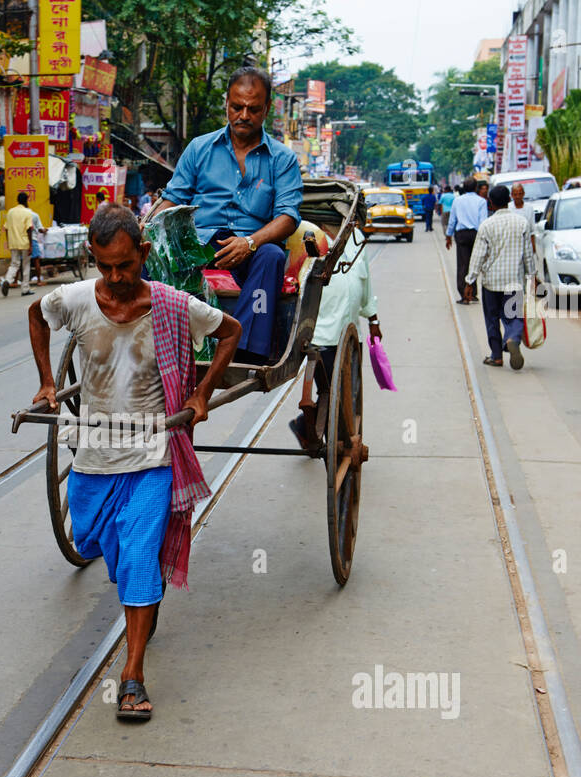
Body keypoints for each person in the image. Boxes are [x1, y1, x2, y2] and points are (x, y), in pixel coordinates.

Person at [27, 204, 242, 719]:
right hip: (95, 459)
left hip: (152, 455)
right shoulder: (76, 301)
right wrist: (47, 382)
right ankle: (144, 597)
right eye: (105, 267)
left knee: (141, 561)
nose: (117, 278)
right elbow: (36, 315)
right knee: (100, 546)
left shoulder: (172, 304)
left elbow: (230, 330)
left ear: (143, 254)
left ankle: (132, 675)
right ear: (93, 259)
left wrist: (202, 395)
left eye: (125, 265)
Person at [151, 65, 302, 360]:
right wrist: (147, 229)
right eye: (237, 107)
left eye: (253, 109)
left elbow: (287, 216)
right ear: (227, 104)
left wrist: (249, 243)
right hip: (200, 244)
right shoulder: (199, 148)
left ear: (267, 109)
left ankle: (244, 348)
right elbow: (173, 198)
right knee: (149, 252)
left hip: (250, 248)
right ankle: (147, 338)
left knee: (272, 255)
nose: (243, 115)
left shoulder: (282, 159)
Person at [289, 223, 383, 445]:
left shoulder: (355, 236)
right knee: (331, 394)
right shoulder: (303, 233)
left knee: (347, 393)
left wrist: (373, 319)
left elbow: (366, 281)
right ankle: (316, 430)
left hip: (349, 331)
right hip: (318, 331)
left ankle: (306, 426)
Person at [465, 184, 536, 370]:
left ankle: (496, 356)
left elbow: (478, 255)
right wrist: (532, 277)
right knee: (513, 317)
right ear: (509, 200)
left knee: (492, 318)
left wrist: (469, 281)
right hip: (514, 280)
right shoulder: (522, 223)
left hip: (491, 282)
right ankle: (512, 338)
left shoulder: (486, 225)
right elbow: (528, 254)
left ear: (491, 203)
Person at [446, 176, 488, 304]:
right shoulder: (481, 201)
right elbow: (483, 222)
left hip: (462, 235)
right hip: (476, 234)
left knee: (463, 265)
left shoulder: (457, 201)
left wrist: (448, 236)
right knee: (475, 263)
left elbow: (452, 220)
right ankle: (473, 292)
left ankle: (464, 294)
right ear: (476, 188)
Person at [1, 191, 35, 296]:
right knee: (26, 266)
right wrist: (30, 245)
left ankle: (7, 280)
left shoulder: (10, 212)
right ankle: (25, 289)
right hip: (24, 242)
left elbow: (6, 228)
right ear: (26, 200)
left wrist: (8, 241)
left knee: (14, 264)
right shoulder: (28, 212)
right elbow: (29, 229)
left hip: (13, 242)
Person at [30, 206, 46, 286]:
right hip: (32, 239)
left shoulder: (17, 214)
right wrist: (45, 230)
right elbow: (40, 229)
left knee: (20, 262)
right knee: (36, 260)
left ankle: (15, 281)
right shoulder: (34, 215)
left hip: (20, 240)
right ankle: (39, 280)